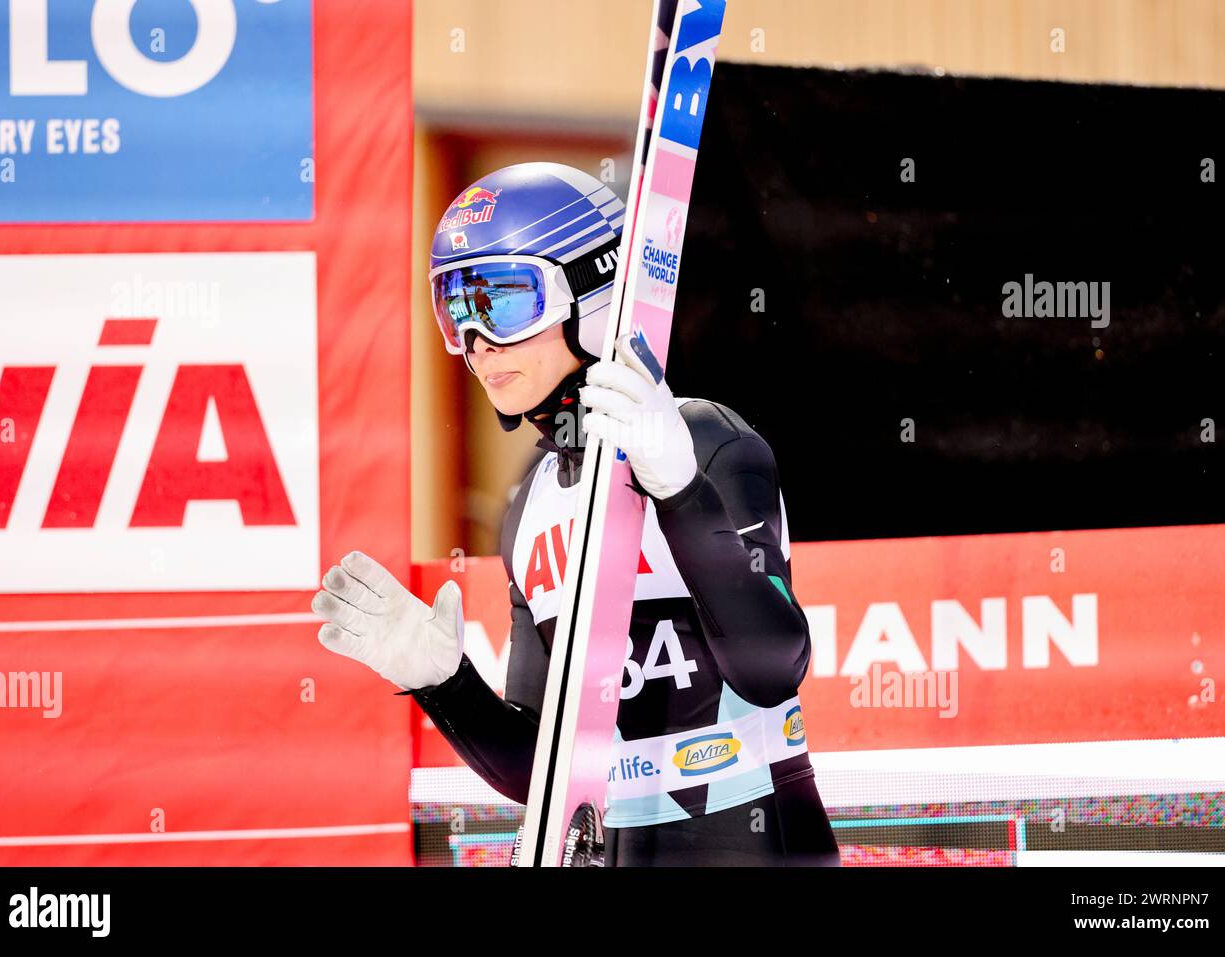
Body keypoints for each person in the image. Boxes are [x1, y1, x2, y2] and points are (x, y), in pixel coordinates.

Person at [312, 162, 841, 866]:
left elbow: (774, 664)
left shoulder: (711, 442)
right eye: (454, 309)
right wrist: (442, 681)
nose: (477, 341)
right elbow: (543, 770)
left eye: (501, 300)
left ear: (591, 290)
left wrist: (679, 487)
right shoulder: (531, 503)